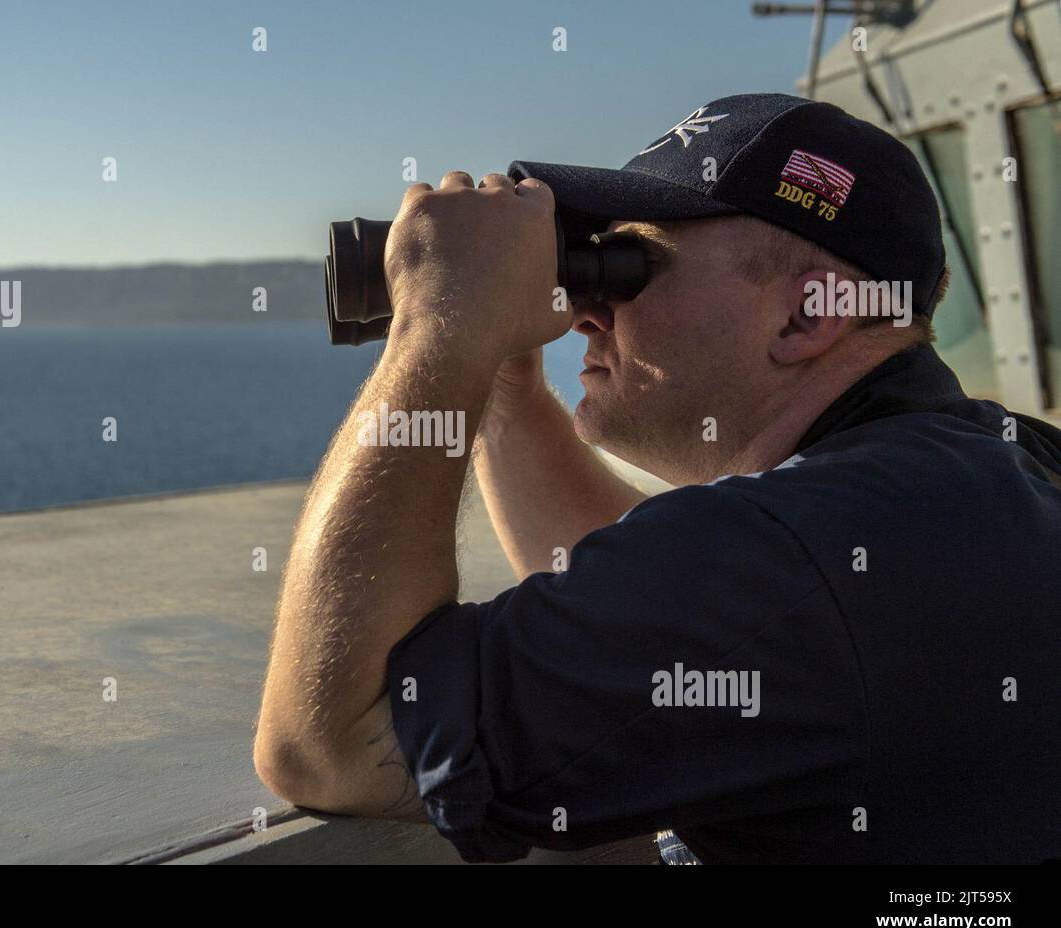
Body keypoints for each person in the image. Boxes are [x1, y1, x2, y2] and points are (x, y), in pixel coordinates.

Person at [253, 92, 1061, 863]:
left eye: (629, 264)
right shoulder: (999, 460)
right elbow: (655, 609)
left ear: (807, 315)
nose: (585, 312)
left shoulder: (799, 560)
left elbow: (332, 741)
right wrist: (502, 377)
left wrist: (441, 324)